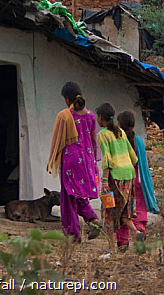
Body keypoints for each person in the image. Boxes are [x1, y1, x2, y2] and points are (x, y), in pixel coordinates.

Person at [47, 82, 102, 242]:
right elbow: (93, 140)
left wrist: (52, 160)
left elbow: (58, 141)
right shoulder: (91, 115)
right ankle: (93, 220)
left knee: (68, 198)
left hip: (70, 161)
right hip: (86, 160)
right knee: (78, 194)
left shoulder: (64, 116)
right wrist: (93, 163)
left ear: (66, 98)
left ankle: (73, 235)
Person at [96, 102, 145, 251]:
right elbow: (133, 158)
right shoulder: (121, 132)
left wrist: (105, 180)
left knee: (108, 211)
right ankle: (136, 232)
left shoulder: (102, 135)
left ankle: (112, 248)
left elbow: (107, 159)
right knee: (124, 210)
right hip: (129, 175)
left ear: (100, 118)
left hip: (114, 177)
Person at [116, 110, 159, 251]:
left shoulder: (118, 140)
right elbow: (142, 164)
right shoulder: (138, 141)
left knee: (122, 211)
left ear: (120, 124)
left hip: (122, 182)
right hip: (136, 182)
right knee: (138, 211)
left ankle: (123, 242)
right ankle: (140, 231)